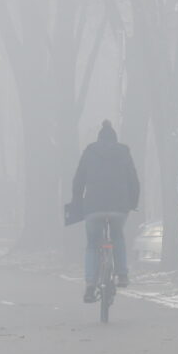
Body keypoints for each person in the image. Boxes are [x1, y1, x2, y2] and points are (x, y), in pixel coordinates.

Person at [66, 121, 140, 300]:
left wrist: (77, 203)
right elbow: (134, 181)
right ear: (115, 139)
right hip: (119, 207)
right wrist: (132, 203)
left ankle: (90, 284)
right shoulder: (124, 153)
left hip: (93, 207)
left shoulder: (89, 152)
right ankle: (122, 274)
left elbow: (78, 181)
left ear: (99, 139)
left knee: (92, 244)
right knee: (117, 236)